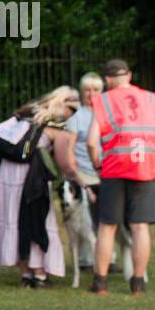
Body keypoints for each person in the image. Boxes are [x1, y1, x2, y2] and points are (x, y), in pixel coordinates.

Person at [86, 59, 155, 296]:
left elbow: (91, 141)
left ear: (107, 80)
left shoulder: (103, 101)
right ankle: (137, 284)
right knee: (140, 227)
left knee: (107, 227)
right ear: (130, 76)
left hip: (114, 169)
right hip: (144, 169)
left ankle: (100, 283)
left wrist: (97, 163)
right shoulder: (151, 99)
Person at [0, 87, 77, 287]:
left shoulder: (27, 111)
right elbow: (65, 162)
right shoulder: (57, 124)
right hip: (32, 177)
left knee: (14, 218)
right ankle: (40, 273)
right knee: (38, 218)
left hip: (9, 174)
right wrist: (81, 178)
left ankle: (25, 273)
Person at [56, 72, 104, 267]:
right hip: (83, 173)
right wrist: (75, 173)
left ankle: (107, 258)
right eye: (87, 90)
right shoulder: (76, 118)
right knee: (83, 218)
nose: (91, 94)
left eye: (95, 90)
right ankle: (85, 259)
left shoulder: (107, 113)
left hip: (105, 173)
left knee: (104, 219)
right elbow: (69, 149)